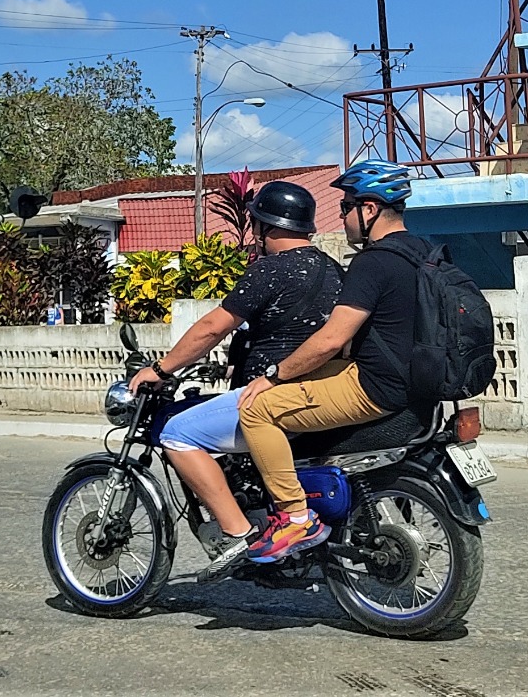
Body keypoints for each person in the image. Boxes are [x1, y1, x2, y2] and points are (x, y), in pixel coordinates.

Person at [126, 180, 342, 580]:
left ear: (264, 226)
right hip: (319, 395)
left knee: (175, 432)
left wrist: (160, 369)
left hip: (270, 396)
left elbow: (212, 328)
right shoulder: (332, 269)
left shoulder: (272, 270)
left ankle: (237, 536)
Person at [235, 159, 427, 565]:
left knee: (257, 410)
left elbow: (331, 339)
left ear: (369, 210)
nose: (342, 218)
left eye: (345, 208)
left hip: (374, 387)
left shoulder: (373, 262)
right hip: (419, 386)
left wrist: (274, 374)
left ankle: (294, 516)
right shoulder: (426, 253)